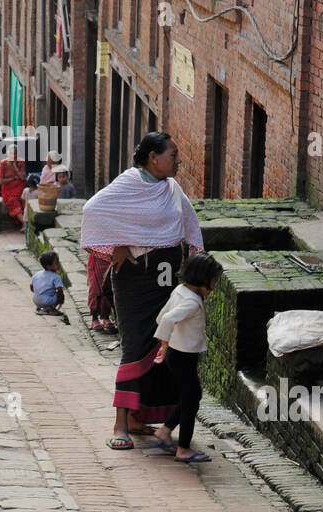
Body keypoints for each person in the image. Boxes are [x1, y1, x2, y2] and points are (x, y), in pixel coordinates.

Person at [81, 132, 204, 451]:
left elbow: (190, 224)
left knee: (164, 346)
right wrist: (117, 245)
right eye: (172, 154)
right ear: (153, 157)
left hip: (168, 280)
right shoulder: (129, 182)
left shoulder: (171, 188)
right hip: (135, 281)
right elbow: (94, 211)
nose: (178, 160)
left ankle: (140, 418)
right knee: (135, 346)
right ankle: (120, 423)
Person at [152, 254, 224, 463]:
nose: (215, 285)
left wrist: (166, 343)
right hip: (182, 355)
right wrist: (164, 344)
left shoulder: (180, 291)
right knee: (191, 399)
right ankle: (183, 448)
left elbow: (161, 316)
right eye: (214, 280)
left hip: (179, 352)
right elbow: (167, 319)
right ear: (204, 279)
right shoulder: (192, 301)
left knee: (191, 395)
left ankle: (165, 431)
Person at [31, 251, 68, 323]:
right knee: (58, 294)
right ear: (48, 266)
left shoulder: (37, 274)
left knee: (48, 293)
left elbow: (31, 287)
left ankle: (42, 307)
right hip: (47, 302)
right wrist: (61, 301)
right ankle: (50, 309)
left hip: (35, 300)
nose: (59, 264)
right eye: (56, 263)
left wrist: (39, 293)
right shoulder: (56, 277)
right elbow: (60, 291)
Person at [0, 145, 27, 226]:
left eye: (15, 154)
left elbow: (22, 177)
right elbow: (0, 181)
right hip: (8, 189)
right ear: (7, 153)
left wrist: (15, 166)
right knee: (12, 200)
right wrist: (13, 178)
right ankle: (25, 223)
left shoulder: (21, 162)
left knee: (24, 197)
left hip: (20, 186)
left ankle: (25, 223)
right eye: (11, 153)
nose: (13, 156)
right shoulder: (3, 163)